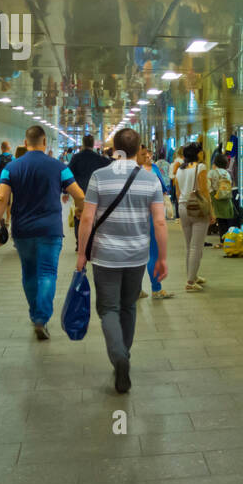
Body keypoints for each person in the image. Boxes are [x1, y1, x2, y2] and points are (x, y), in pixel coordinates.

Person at [76, 128, 169, 394]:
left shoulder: (99, 176)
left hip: (105, 256)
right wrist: (161, 258)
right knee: (128, 306)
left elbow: (87, 218)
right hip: (137, 255)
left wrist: (82, 254)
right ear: (139, 147)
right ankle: (123, 355)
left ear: (113, 148)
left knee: (108, 310)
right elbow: (160, 221)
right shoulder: (150, 179)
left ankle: (119, 357)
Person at [0, 125, 85, 340]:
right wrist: (80, 209)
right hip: (50, 230)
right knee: (48, 273)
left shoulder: (10, 168)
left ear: (25, 143)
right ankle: (41, 318)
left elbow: (1, 199)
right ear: (44, 143)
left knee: (29, 273)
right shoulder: (59, 166)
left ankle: (35, 315)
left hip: (22, 231)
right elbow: (79, 194)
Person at [138, 146, 174, 300]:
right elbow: (162, 190)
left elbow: (164, 189)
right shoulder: (149, 171)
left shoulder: (149, 168)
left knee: (138, 253)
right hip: (151, 215)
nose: (147, 156)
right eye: (143, 154)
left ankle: (138, 290)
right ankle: (156, 289)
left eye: (148, 153)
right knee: (153, 253)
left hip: (136, 216)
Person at [66, 134, 112, 252]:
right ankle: (92, 242)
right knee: (94, 216)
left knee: (79, 217)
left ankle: (79, 243)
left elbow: (69, 174)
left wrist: (65, 191)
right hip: (96, 191)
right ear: (92, 144)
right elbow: (110, 166)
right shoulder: (99, 158)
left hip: (79, 192)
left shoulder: (76, 158)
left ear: (83, 143)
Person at [174, 142, 210, 291]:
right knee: (197, 246)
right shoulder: (200, 167)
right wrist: (211, 211)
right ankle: (190, 282)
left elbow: (177, 192)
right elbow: (204, 190)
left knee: (189, 245)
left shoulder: (179, 170)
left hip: (182, 206)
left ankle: (192, 276)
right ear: (198, 154)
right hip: (197, 207)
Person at [207, 153, 235, 243]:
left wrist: (210, 194)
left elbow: (208, 184)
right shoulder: (227, 173)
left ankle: (223, 241)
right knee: (226, 219)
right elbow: (230, 183)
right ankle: (227, 239)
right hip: (226, 197)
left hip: (217, 196)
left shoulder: (212, 172)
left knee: (220, 219)